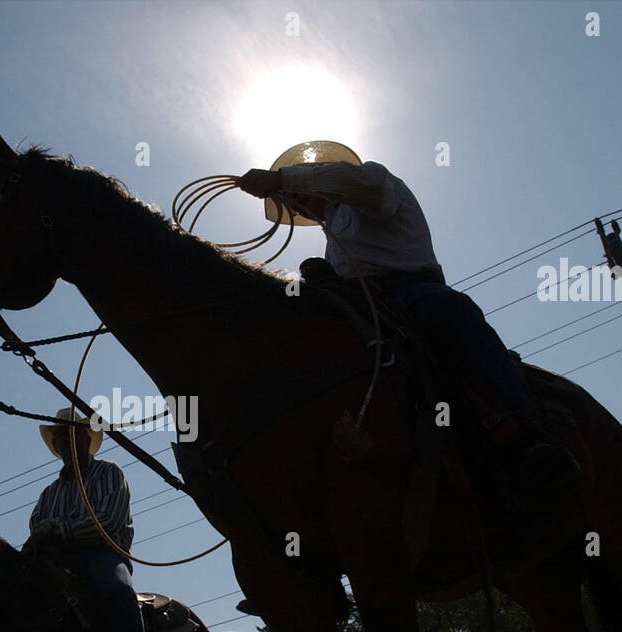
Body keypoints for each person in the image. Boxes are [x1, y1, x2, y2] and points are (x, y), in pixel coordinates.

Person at [238, 142, 576, 501]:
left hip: (410, 291)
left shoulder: (373, 182)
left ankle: (526, 430)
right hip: (365, 304)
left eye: (294, 196)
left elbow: (357, 183)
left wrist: (280, 178)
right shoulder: (334, 237)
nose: (293, 205)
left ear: (314, 179)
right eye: (291, 201)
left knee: (451, 312)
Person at [29, 408, 153, 632]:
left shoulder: (110, 474)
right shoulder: (48, 493)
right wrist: (47, 536)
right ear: (56, 444)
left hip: (103, 554)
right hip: (58, 563)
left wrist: (59, 530)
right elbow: (35, 525)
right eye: (61, 436)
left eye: (74, 435)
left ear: (87, 440)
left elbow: (107, 523)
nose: (67, 441)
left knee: (115, 592)